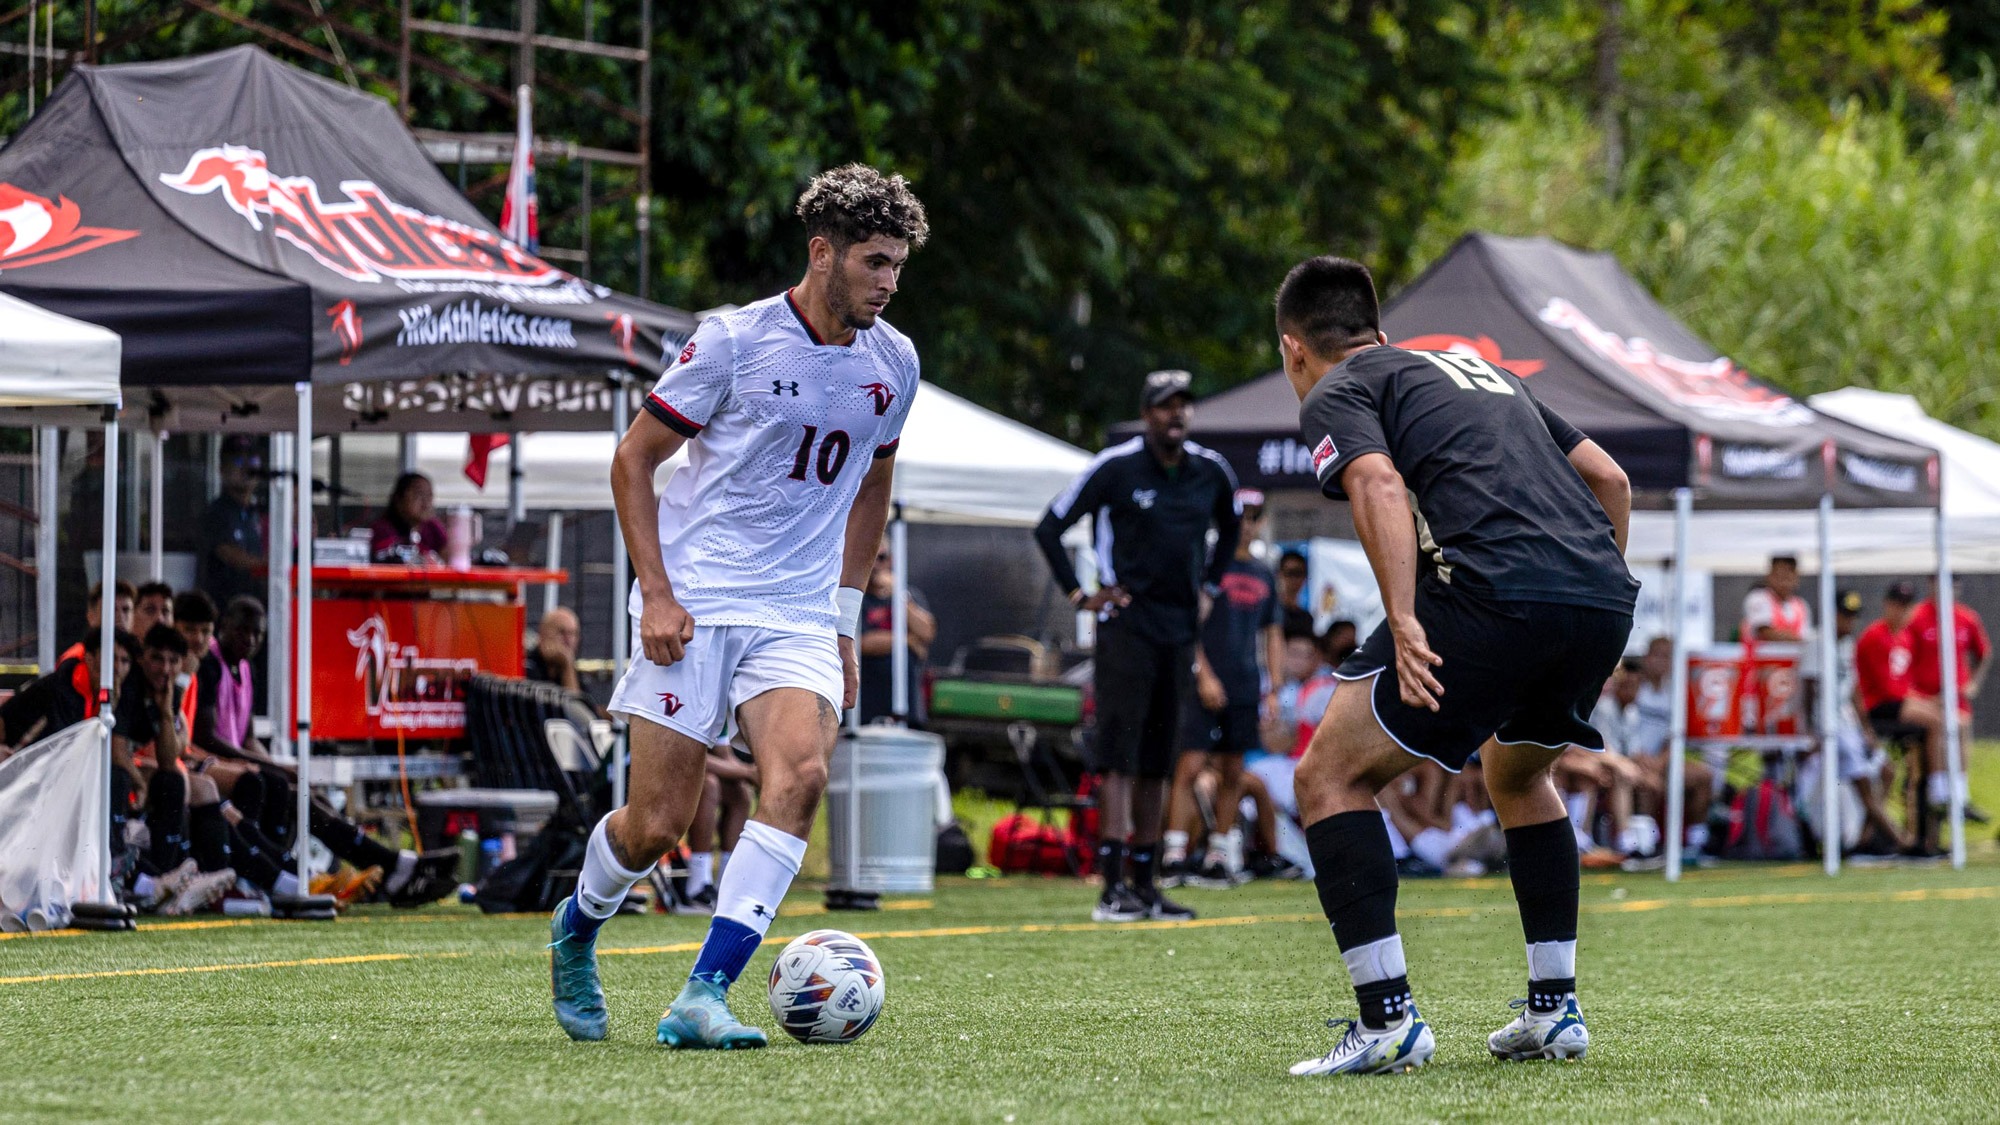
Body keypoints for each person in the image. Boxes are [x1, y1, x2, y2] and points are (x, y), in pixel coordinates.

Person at [547, 164, 927, 1050]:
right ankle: (577, 924)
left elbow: (875, 484)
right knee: (655, 827)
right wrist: (660, 594)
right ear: (822, 251)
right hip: (700, 601)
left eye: (900, 266)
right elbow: (632, 460)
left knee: (799, 776)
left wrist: (843, 622)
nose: (889, 282)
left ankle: (704, 992)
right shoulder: (732, 340)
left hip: (795, 613)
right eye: (875, 262)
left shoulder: (895, 362)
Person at [1274, 257, 1638, 1076]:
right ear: (1381, 331)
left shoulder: (1338, 387)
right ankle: (1555, 1008)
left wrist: (1403, 617)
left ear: (1295, 350)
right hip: (1603, 595)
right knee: (1517, 775)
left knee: (1327, 776)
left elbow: (1376, 482)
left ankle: (1387, 1019)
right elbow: (1609, 478)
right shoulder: (1480, 370)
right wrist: (1587, 602)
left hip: (1493, 594)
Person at [1035, 368, 1242, 924]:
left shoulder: (1209, 471)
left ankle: (1148, 885)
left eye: (1182, 405)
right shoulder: (1116, 467)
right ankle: (1112, 888)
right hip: (1125, 628)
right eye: (1163, 405)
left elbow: (1233, 525)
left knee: (1159, 759)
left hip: (1178, 631)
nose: (1175, 414)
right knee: (1120, 758)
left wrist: (1209, 588)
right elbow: (1049, 527)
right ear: (1146, 414)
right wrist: (1083, 596)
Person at [1168, 491, 1284, 887]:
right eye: (1241, 517)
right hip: (1204, 679)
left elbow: (1273, 633)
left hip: (1245, 682)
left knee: (1234, 769)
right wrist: (1202, 674)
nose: (1247, 524)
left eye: (1254, 517)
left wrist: (1273, 687)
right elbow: (1190, 625)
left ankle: (1219, 853)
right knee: (1191, 765)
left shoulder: (1265, 574)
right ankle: (1174, 853)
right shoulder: (1208, 565)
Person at [1903, 581, 1990, 838]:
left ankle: (1958, 794)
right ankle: (1940, 792)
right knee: (1941, 726)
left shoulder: (1966, 617)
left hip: (1955, 700)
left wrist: (1972, 683)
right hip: (1924, 698)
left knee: (1960, 725)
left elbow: (1984, 652)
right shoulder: (1917, 617)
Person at [1, 628, 138, 751]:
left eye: (125, 661)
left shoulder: (115, 695)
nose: (117, 668)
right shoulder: (62, 687)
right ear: (89, 658)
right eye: (111, 658)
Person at [858, 539, 936, 726]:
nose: (876, 564)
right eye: (871, 557)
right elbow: (862, 643)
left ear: (890, 560)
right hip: (864, 709)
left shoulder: (907, 595)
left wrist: (899, 596)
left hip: (907, 709)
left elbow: (927, 632)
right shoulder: (857, 598)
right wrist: (908, 641)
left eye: (881, 557)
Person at [197, 441, 265, 612]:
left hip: (256, 609)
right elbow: (230, 554)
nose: (247, 470)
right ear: (222, 469)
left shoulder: (258, 512)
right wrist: (269, 565)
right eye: (238, 462)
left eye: (253, 463)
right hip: (224, 611)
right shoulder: (216, 513)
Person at [370, 472, 448, 563]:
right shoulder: (382, 528)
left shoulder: (432, 526)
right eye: (419, 495)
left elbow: (449, 557)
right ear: (399, 499)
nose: (426, 502)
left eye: (429, 495)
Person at [57, 580, 136, 665]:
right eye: (111, 609)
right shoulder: (76, 660)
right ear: (90, 616)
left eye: (126, 610)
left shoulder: (141, 659)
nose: (120, 616)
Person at [1742, 556, 1810, 643]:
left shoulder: (1801, 606)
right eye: (1778, 576)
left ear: (1796, 578)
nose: (1783, 583)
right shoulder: (1758, 598)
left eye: (1787, 577)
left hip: (1791, 656)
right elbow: (1766, 633)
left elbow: (1804, 637)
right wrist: (1794, 639)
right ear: (1769, 576)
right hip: (1762, 656)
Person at [525, 607, 585, 693]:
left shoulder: (572, 670)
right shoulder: (528, 668)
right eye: (561, 632)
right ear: (543, 634)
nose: (568, 640)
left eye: (573, 634)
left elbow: (581, 705)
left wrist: (567, 666)